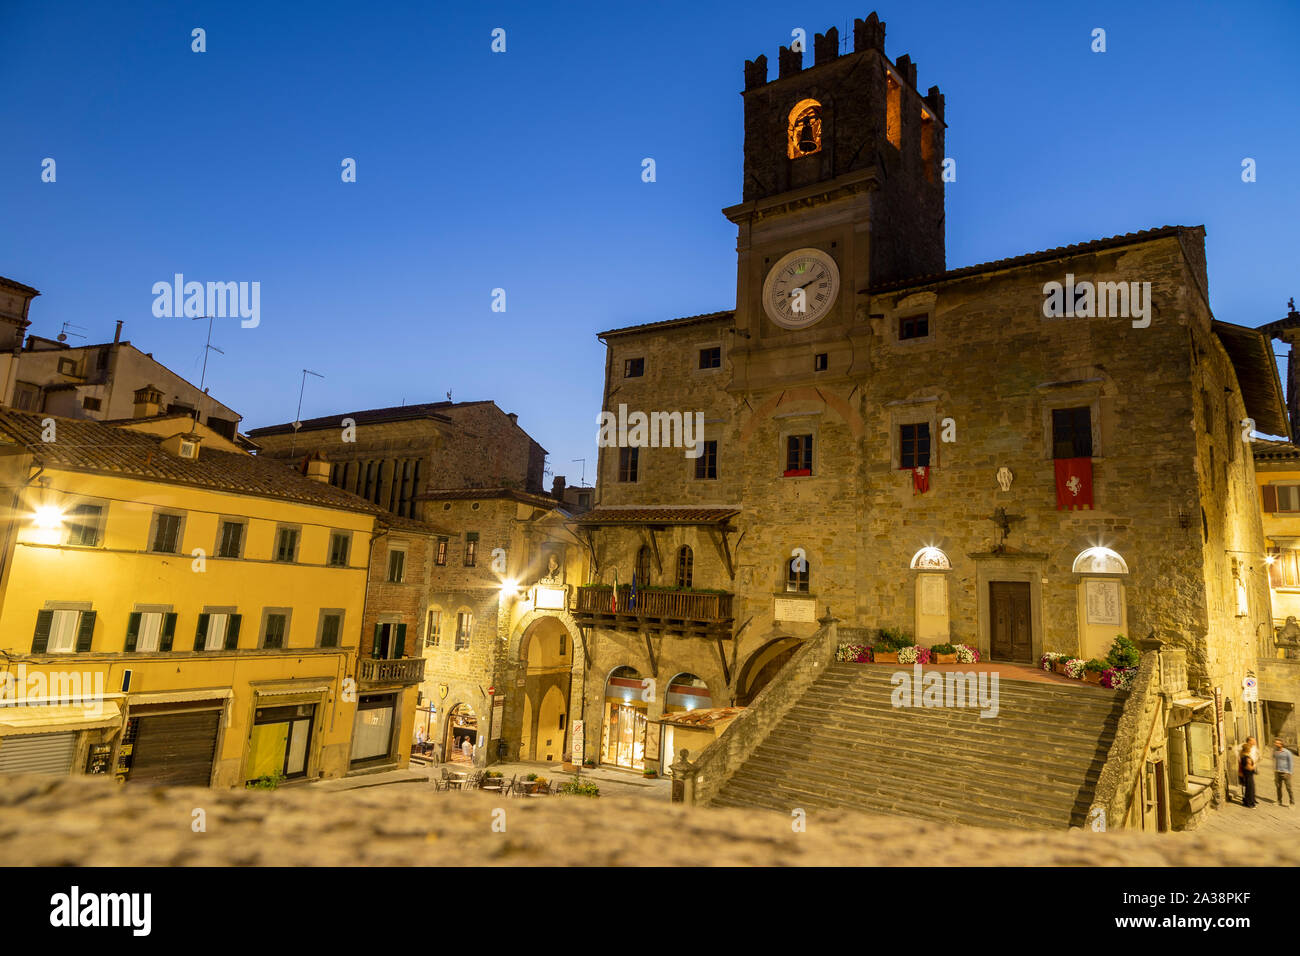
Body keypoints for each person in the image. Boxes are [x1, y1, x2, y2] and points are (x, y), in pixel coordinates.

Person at [1275, 738, 1294, 807]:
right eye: (1275, 743)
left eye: (1278, 743)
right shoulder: (1275, 751)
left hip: (1286, 772)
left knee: (1289, 788)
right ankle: (1279, 801)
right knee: (1278, 787)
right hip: (1277, 772)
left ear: (1281, 744)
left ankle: (1292, 802)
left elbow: (1291, 762)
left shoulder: (1287, 752)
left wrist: (1290, 772)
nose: (1276, 744)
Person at [1241, 736, 1258, 808]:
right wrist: (1254, 765)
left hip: (1247, 774)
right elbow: (1249, 767)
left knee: (1249, 788)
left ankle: (1249, 801)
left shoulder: (1244, 756)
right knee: (1250, 788)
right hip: (1248, 774)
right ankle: (1249, 803)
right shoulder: (1247, 757)